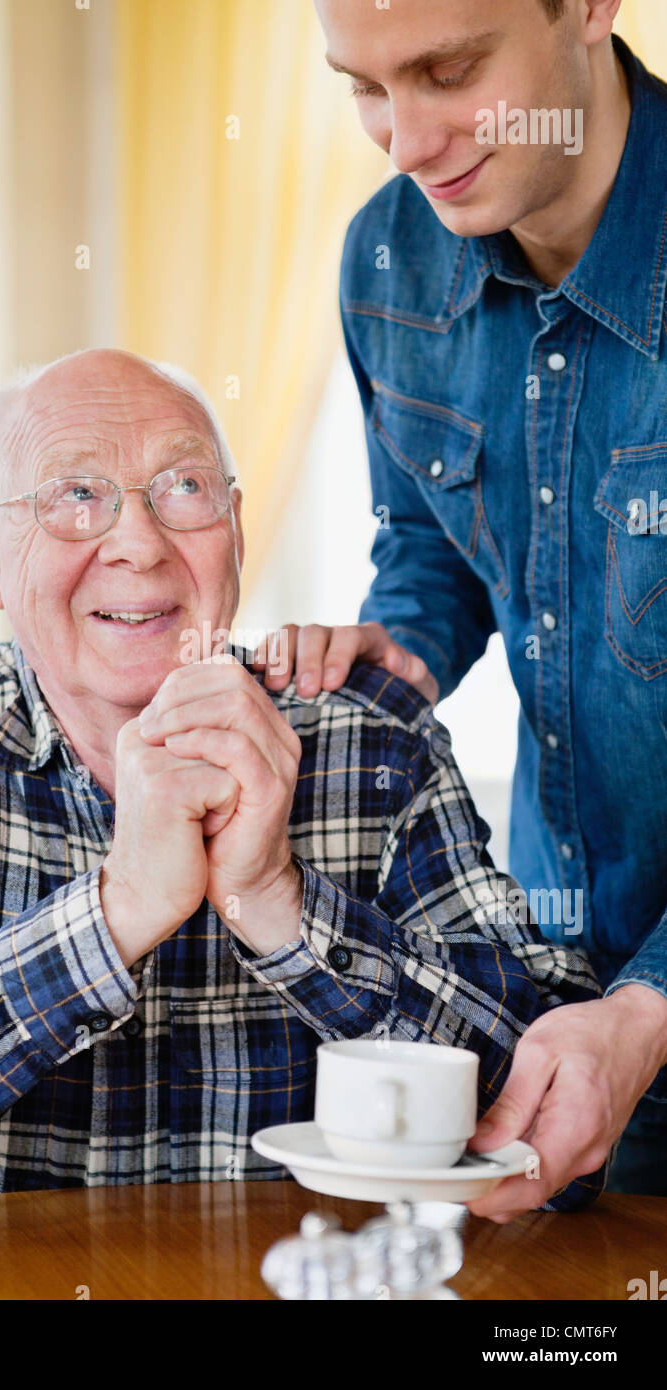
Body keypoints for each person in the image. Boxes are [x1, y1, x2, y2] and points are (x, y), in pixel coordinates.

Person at [0, 349, 605, 1236]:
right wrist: (111, 916)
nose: (140, 545)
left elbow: (566, 1128)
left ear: (235, 527)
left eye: (183, 487)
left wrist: (282, 907)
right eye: (76, 496)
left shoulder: (371, 738)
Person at [260, 0, 667, 1215]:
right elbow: (431, 547)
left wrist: (647, 1009)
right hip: (562, 1026)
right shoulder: (387, 259)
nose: (407, 139)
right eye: (364, 87)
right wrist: (403, 646)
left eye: (446, 69)